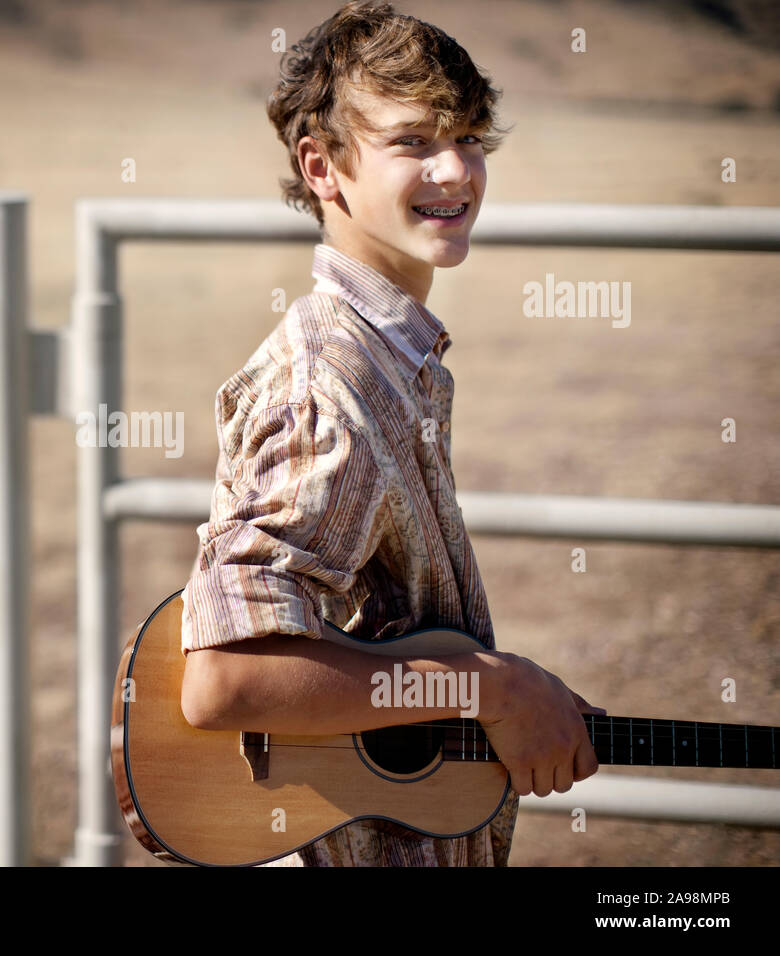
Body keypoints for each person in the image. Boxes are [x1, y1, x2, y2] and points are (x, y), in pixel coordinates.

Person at [178, 0, 604, 866]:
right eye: (413, 141)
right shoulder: (331, 388)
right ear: (324, 169)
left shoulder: (390, 360)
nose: (456, 169)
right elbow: (226, 679)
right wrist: (492, 689)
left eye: (472, 135)